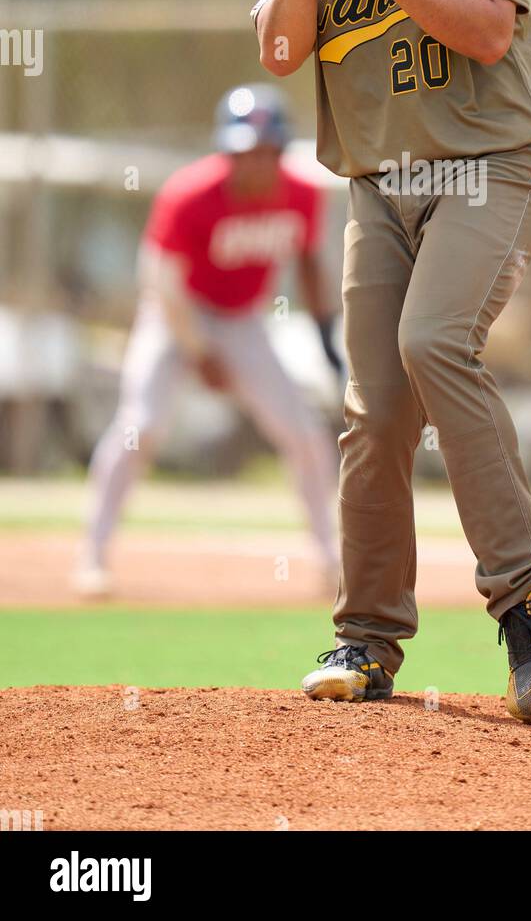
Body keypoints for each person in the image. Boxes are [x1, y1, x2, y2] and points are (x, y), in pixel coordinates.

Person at [253, 0, 531, 721]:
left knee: (437, 342)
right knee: (375, 406)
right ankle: (368, 636)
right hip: (376, 184)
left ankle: (526, 593)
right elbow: (276, 53)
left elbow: (484, 34)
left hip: (488, 166)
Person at [73, 84, 341, 598]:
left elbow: (309, 261)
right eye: (245, 152)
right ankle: (93, 555)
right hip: (176, 315)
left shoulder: (301, 193)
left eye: (266, 152)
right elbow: (160, 282)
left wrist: (325, 331)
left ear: (281, 151)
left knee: (303, 432)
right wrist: (199, 351)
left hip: (244, 321)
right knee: (141, 427)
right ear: (227, 151)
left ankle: (329, 559)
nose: (255, 164)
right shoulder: (189, 194)